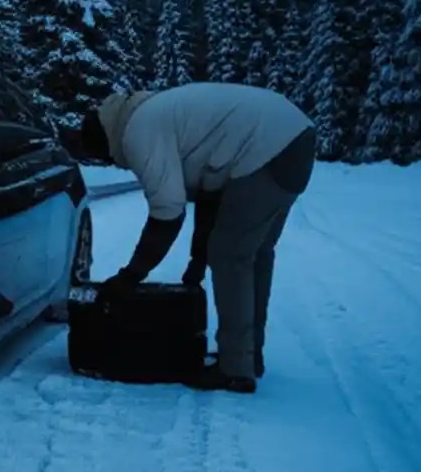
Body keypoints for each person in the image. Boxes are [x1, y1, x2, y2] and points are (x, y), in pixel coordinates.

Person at [79, 82, 316, 394]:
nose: (115, 163)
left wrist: (131, 275)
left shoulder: (139, 131)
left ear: (107, 142)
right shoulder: (154, 113)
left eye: (107, 158)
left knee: (232, 255)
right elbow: (211, 195)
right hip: (295, 137)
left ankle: (234, 369)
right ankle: (247, 355)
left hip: (267, 147)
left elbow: (167, 212)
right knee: (253, 253)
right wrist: (197, 260)